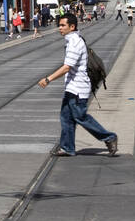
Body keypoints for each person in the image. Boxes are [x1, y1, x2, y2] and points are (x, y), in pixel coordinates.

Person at [38, 11, 118, 157]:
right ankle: (67, 147)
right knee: (66, 117)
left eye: (63, 25)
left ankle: (109, 137)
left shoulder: (74, 42)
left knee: (81, 117)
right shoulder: (72, 40)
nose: (59, 28)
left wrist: (48, 79)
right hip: (72, 88)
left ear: (72, 26)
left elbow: (67, 67)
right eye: (59, 25)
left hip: (78, 89)